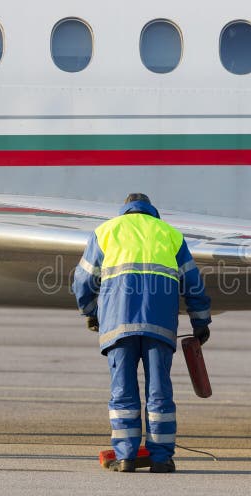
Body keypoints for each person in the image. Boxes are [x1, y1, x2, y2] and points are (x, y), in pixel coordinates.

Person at [72, 193, 211, 473]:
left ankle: (126, 457)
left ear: (125, 210)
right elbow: (193, 282)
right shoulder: (170, 234)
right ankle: (161, 458)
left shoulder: (106, 232)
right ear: (152, 211)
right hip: (159, 326)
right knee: (159, 392)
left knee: (122, 392)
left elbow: (83, 280)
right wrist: (200, 321)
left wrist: (90, 313)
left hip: (117, 326)